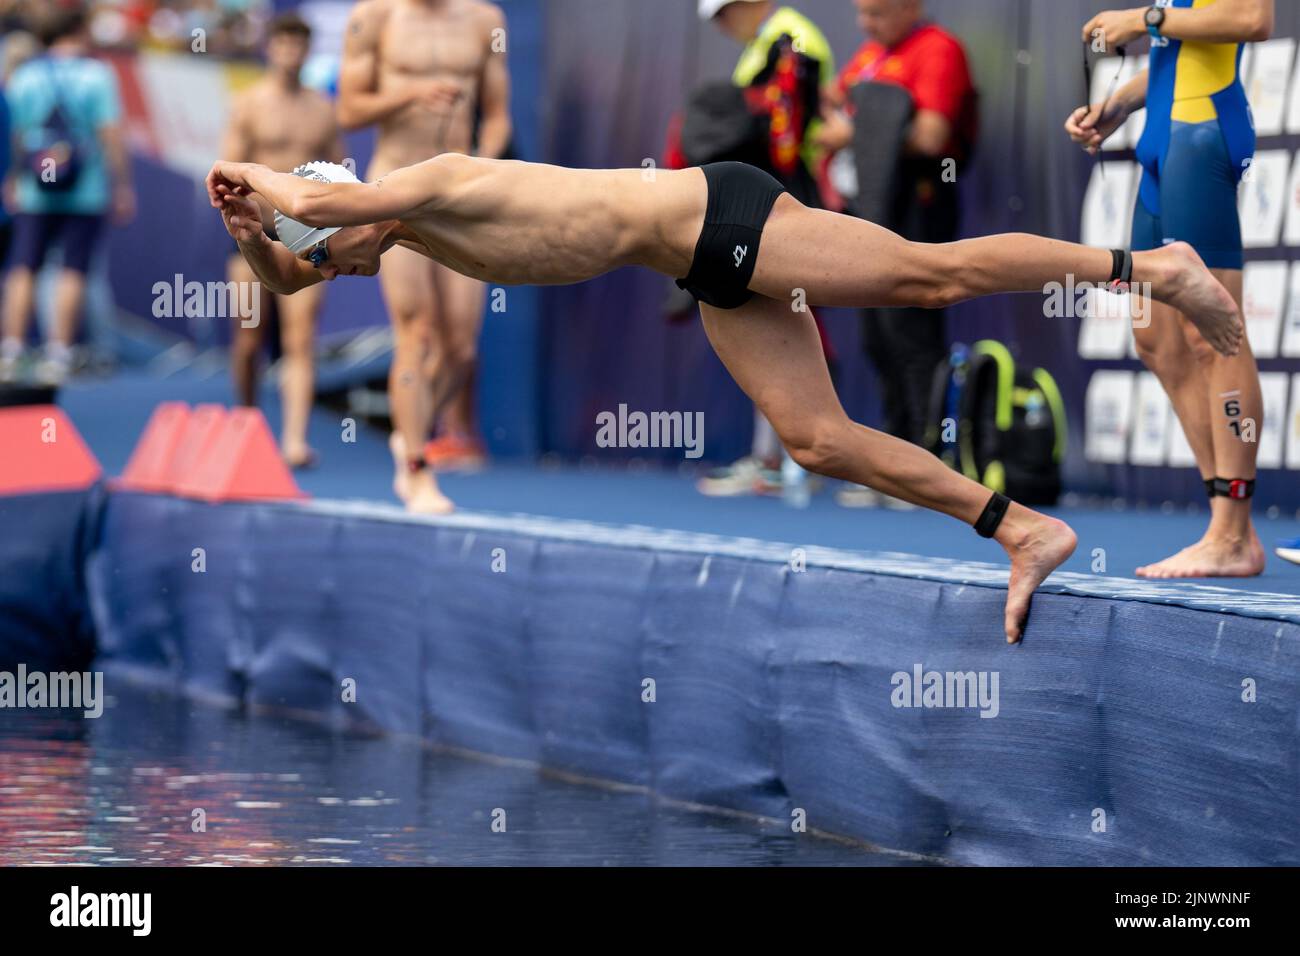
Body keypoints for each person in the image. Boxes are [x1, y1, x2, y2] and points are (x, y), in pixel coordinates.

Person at [206, 153, 1243, 642]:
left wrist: (249, 173)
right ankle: (1019, 528)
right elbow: (295, 268)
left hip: (720, 213)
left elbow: (325, 204)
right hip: (706, 267)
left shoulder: (418, 184)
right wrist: (255, 235)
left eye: (322, 246)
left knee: (931, 274)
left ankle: (1153, 266)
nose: (328, 266)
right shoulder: (386, 238)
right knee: (817, 439)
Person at [1065, 0, 1272, 578]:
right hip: (1164, 131)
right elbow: (1180, 52)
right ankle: (1227, 524)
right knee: (1156, 337)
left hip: (1202, 135)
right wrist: (1119, 105)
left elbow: (1253, 19)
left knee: (1214, 334)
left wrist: (1143, 19)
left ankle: (1232, 530)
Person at [336, 0, 510, 512]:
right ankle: (415, 465)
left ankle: (408, 429)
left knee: (460, 347)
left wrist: (482, 165)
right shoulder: (376, 17)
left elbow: (497, 116)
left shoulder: (485, 21)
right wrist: (410, 92)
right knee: (417, 331)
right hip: (395, 187)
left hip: (456, 194)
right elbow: (348, 109)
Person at [815, 0, 976, 507]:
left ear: (911, 6)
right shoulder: (867, 56)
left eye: (878, 12)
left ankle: (927, 469)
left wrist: (853, 132)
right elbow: (829, 106)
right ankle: (894, 468)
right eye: (861, 13)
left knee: (910, 332)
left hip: (918, 207)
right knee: (877, 336)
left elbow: (931, 137)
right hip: (869, 211)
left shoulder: (938, 50)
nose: (866, 23)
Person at [690, 0, 837, 499]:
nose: (721, 25)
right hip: (770, 200)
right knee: (767, 325)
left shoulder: (788, 36)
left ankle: (793, 459)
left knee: (796, 325)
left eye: (724, 13)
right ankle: (774, 457)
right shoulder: (762, 44)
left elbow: (786, 133)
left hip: (789, 199)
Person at [220, 12, 345, 468]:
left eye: (299, 45)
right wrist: (238, 225)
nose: (291, 53)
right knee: (249, 338)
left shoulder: (322, 108)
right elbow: (229, 168)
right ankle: (248, 422)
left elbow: (338, 177)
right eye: (284, 44)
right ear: (270, 49)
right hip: (254, 231)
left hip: (305, 235)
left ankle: (294, 440)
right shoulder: (249, 104)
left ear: (307, 50)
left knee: (300, 339)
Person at [0, 7, 133, 385]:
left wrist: (12, 177)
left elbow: (15, 135)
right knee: (73, 269)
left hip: (33, 189)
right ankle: (58, 352)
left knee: (23, 266)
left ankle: (11, 349)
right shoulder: (96, 75)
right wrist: (122, 184)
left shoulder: (24, 75)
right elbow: (110, 132)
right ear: (79, 30)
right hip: (83, 190)